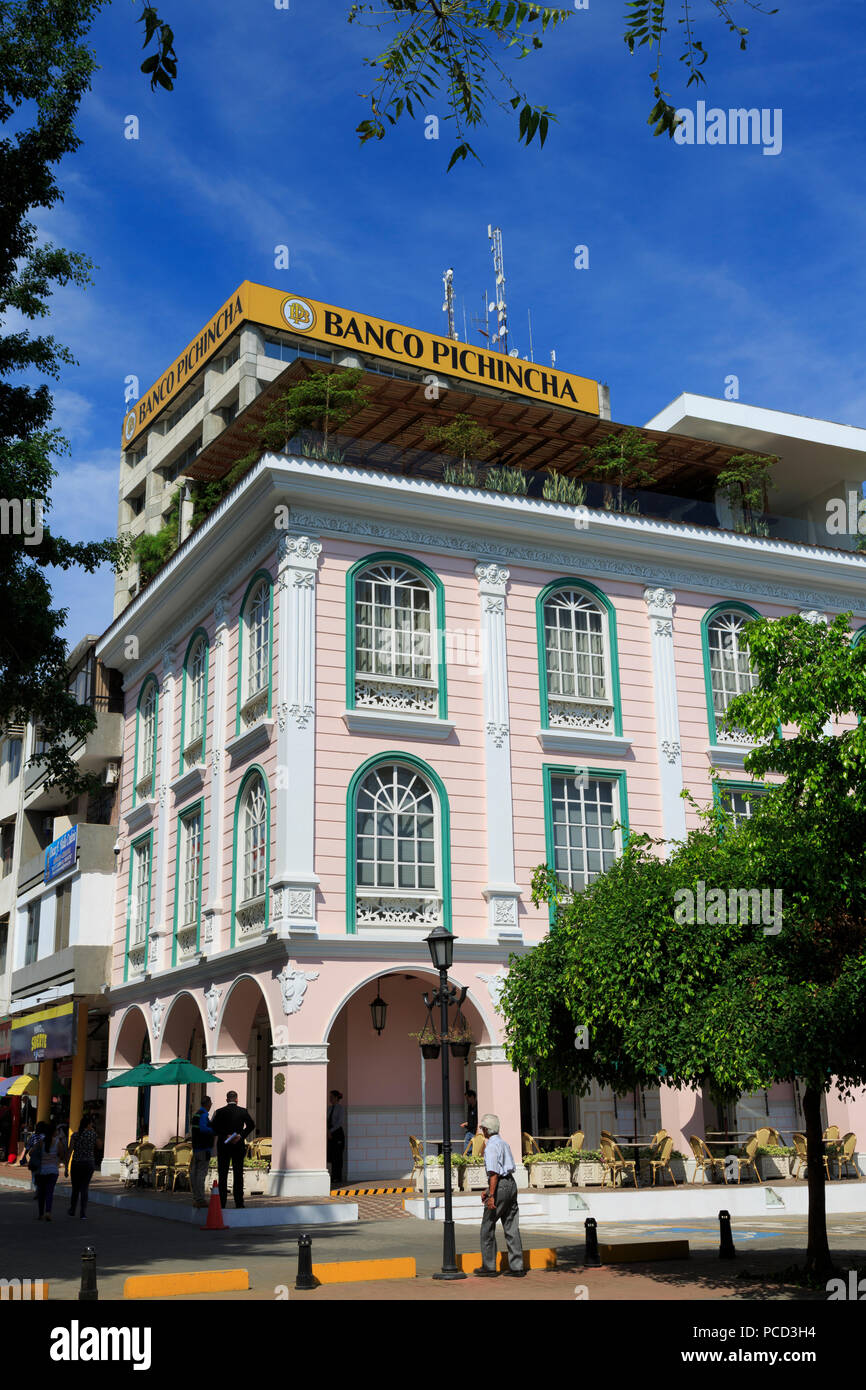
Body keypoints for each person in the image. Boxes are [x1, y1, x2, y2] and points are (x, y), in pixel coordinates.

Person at [475, 1113, 524, 1278]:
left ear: (488, 1130)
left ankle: (489, 1267)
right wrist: (488, 1190)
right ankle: (517, 1267)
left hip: (501, 1186)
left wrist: (491, 1195)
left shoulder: (491, 1147)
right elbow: (503, 1170)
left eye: (483, 1128)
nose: (482, 1131)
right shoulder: (503, 1143)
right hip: (511, 1184)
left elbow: (494, 1174)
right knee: (511, 1226)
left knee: (487, 1226)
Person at [210, 1091, 255, 1209]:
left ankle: (222, 1202)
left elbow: (213, 1128)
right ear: (236, 1100)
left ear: (226, 1100)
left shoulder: (219, 1112)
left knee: (223, 1173)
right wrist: (240, 1135)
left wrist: (226, 1135)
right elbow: (251, 1125)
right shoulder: (242, 1111)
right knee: (238, 1173)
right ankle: (239, 1202)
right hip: (238, 1144)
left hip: (224, 1145)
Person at [31, 1120, 67, 1222]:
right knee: (49, 1192)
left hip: (41, 1170)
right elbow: (61, 1154)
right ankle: (48, 1212)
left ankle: (41, 1214)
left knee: (41, 1193)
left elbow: (31, 1152)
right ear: (53, 1132)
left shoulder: (41, 1142)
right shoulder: (57, 1142)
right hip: (53, 1171)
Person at [67, 1114, 98, 1220]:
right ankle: (83, 1213)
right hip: (89, 1163)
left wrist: (67, 1166)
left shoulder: (75, 1135)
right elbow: (99, 1145)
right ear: (89, 1124)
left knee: (75, 1188)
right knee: (84, 1188)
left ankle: (72, 1209)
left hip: (77, 1163)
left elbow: (70, 1151)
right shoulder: (93, 1134)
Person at [190, 1096, 215, 1208]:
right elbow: (203, 1129)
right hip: (203, 1148)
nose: (211, 1105)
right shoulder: (204, 1115)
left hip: (196, 1148)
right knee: (201, 1174)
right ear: (208, 1104)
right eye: (211, 1103)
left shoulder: (196, 1114)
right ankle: (200, 1199)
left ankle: (196, 1198)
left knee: (194, 1173)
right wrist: (214, 1130)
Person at [326, 1090, 345, 1187]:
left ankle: (338, 1176)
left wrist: (331, 1131)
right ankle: (332, 1175)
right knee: (331, 1155)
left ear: (337, 1098)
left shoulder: (340, 1108)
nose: (330, 1098)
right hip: (329, 1132)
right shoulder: (329, 1108)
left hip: (337, 1133)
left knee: (337, 1155)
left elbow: (339, 1122)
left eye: (332, 1097)